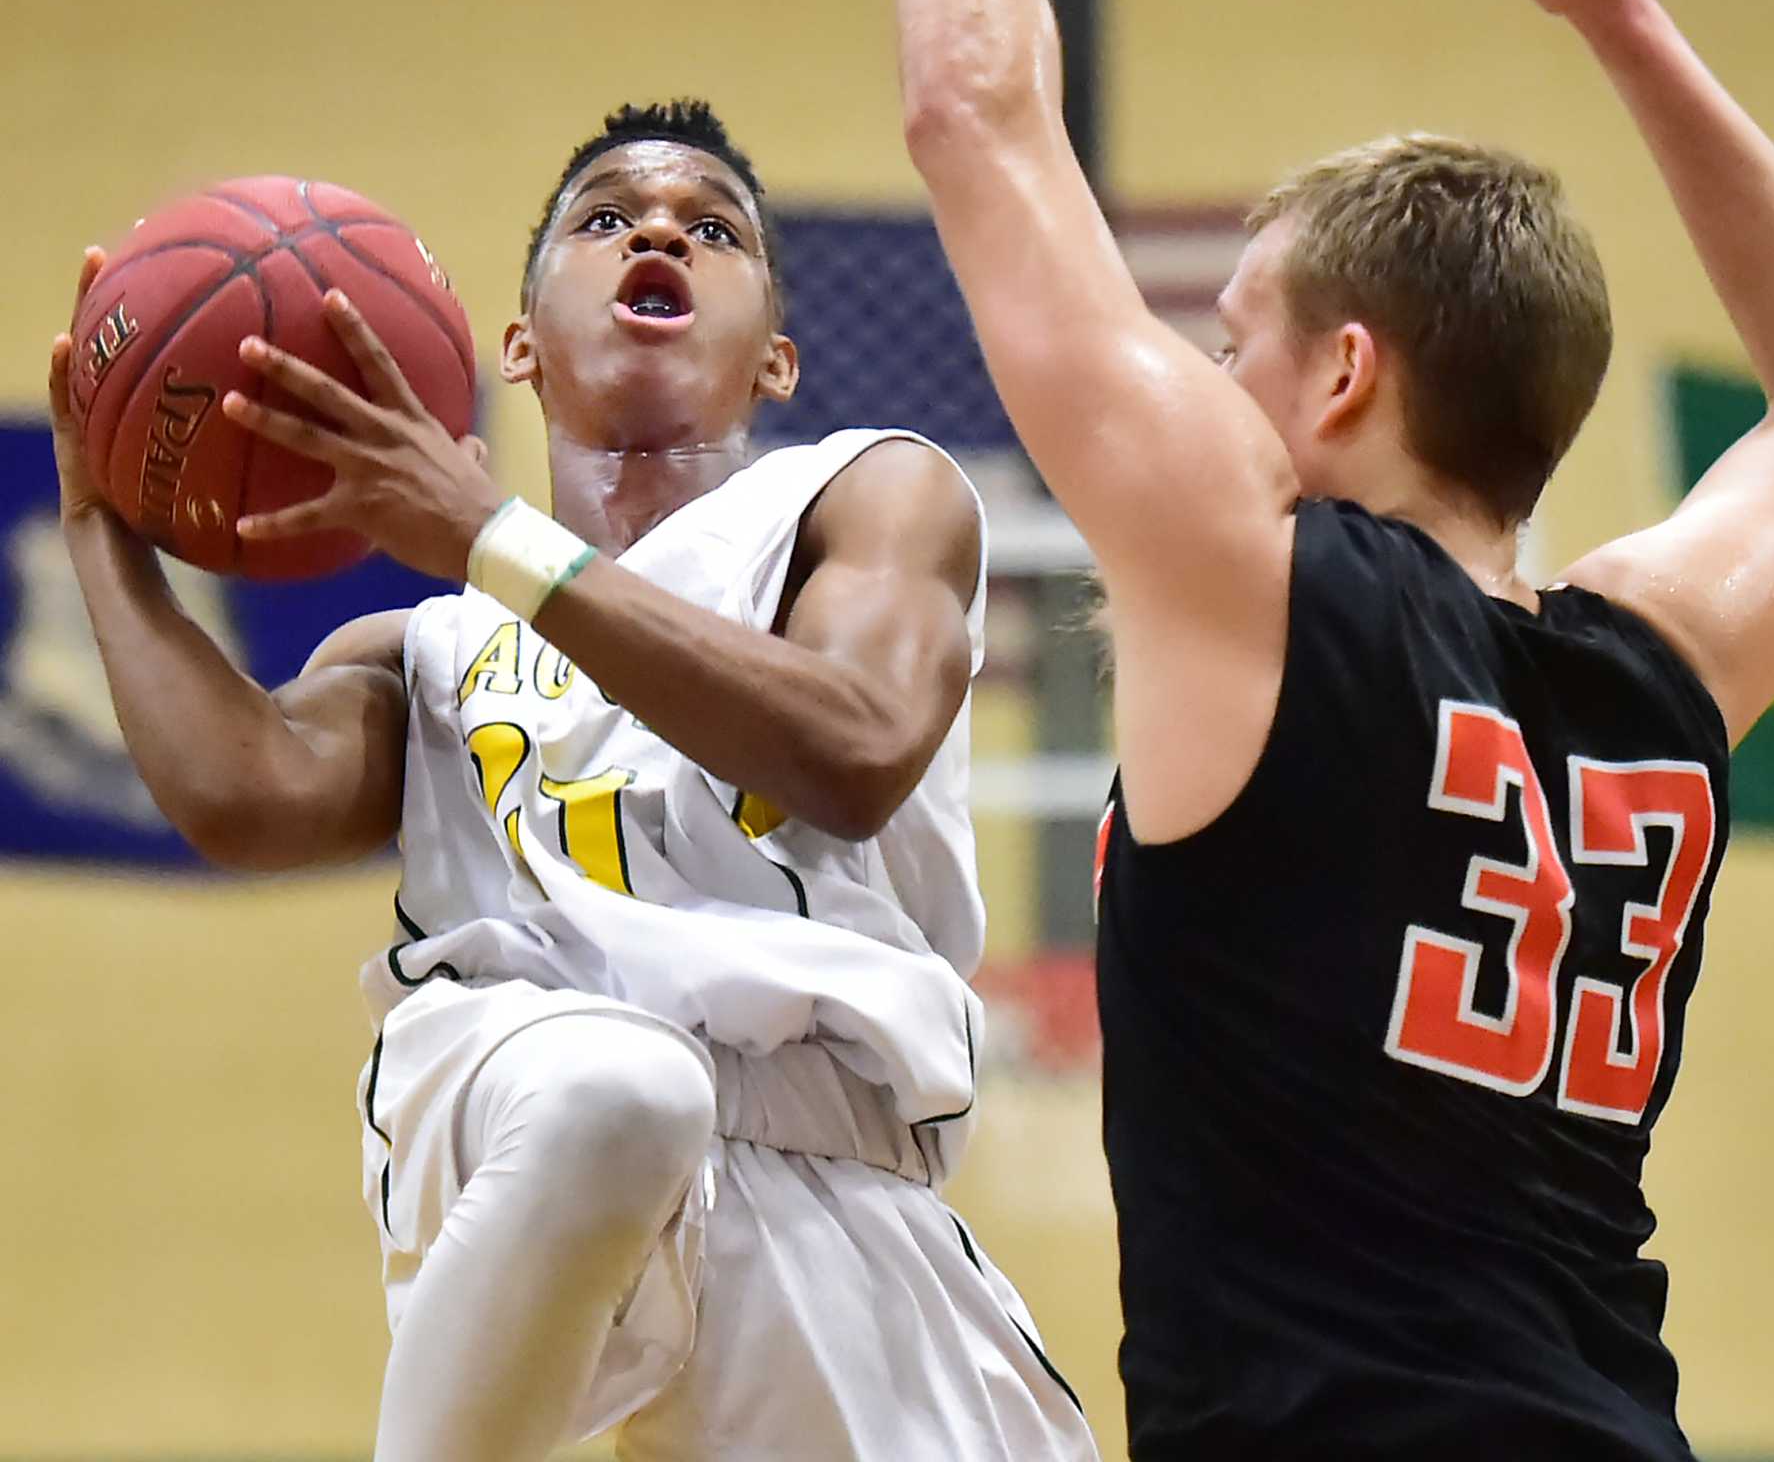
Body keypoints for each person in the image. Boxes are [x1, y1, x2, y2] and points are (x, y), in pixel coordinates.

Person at [884, 0, 1774, 1460]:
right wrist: (1623, 18)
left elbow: (974, 120)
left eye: (1233, 337)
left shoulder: (1272, 588)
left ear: (1344, 376)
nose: (1205, 377)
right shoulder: (1659, 664)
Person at [49, 98, 1096, 1462]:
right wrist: (97, 531)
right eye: (604, 217)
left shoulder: (867, 493)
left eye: (710, 228)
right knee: (619, 1093)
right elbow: (241, 797)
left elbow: (852, 747)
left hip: (845, 1198)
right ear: (520, 345)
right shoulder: (431, 649)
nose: (657, 227)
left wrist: (494, 538)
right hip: (530, 1110)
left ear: (775, 358)